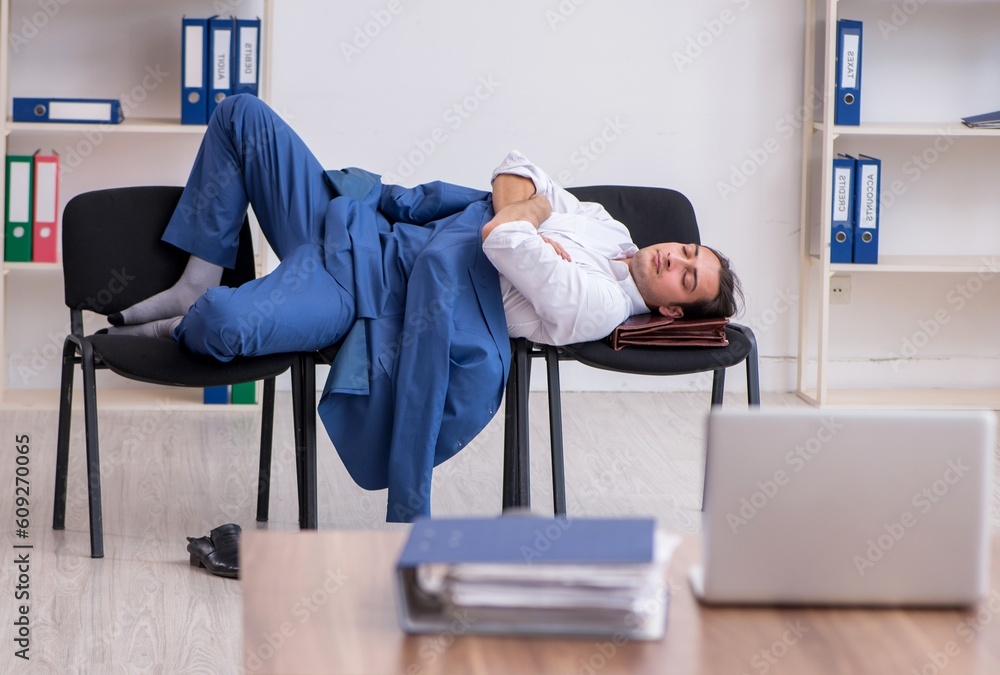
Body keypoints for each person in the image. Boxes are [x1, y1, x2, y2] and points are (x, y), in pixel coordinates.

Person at [109, 95, 742, 523]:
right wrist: (533, 207)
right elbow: (517, 167)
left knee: (225, 326)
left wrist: (524, 214)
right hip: (355, 224)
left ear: (671, 314)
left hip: (362, 295)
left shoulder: (598, 305)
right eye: (686, 252)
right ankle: (199, 277)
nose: (674, 261)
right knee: (240, 114)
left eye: (687, 279)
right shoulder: (606, 227)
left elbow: (503, 236)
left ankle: (205, 309)